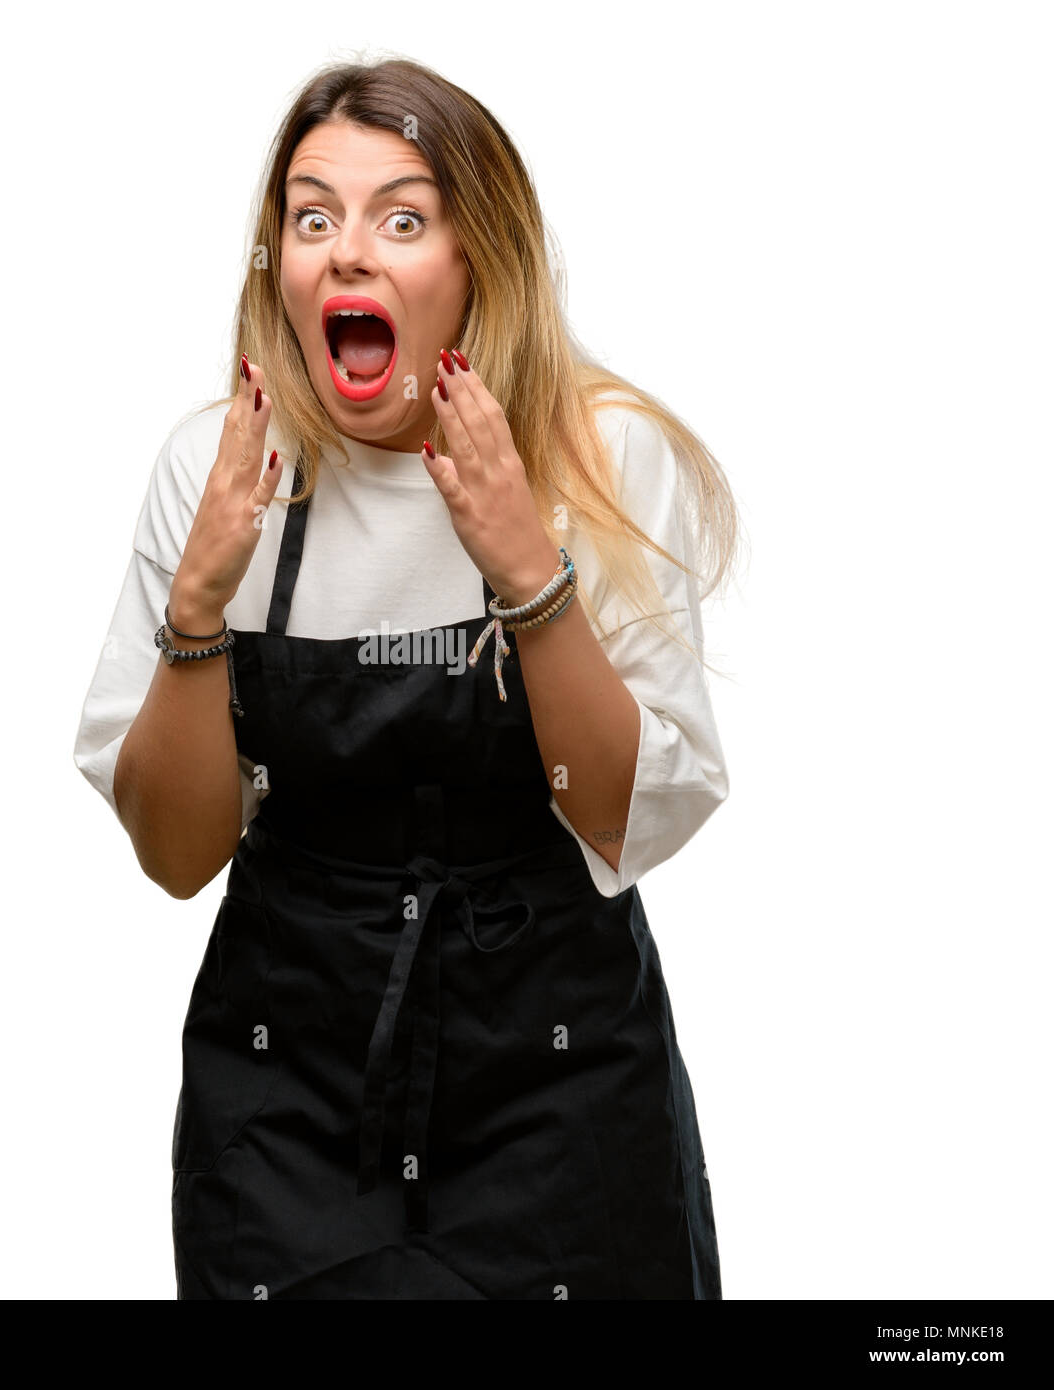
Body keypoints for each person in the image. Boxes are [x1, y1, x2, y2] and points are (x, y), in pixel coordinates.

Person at [73, 57, 741, 1300]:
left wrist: (529, 571)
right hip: (290, 1104)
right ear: (277, 261)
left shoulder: (603, 463)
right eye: (312, 216)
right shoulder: (217, 472)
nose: (348, 253)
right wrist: (197, 608)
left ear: (478, 255)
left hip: (561, 1096)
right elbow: (176, 855)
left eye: (403, 217)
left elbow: (619, 818)